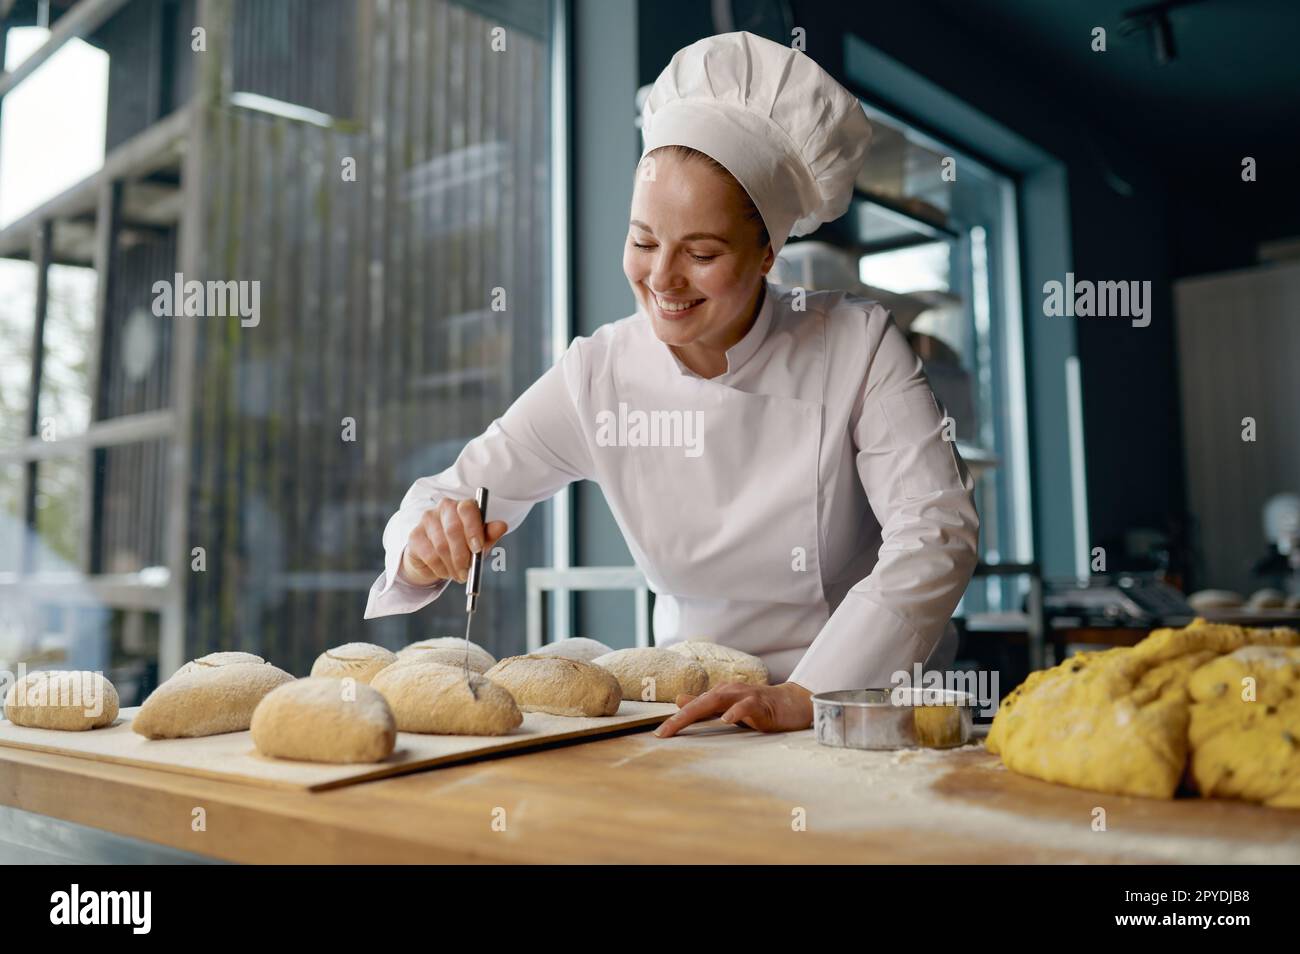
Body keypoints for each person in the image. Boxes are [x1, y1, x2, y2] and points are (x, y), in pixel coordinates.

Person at [364, 31, 979, 736]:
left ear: (768, 253)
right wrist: (426, 539)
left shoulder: (858, 345)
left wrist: (811, 693)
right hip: (694, 711)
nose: (662, 279)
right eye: (644, 241)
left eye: (703, 252)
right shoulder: (599, 375)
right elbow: (451, 490)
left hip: (861, 709)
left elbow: (935, 532)